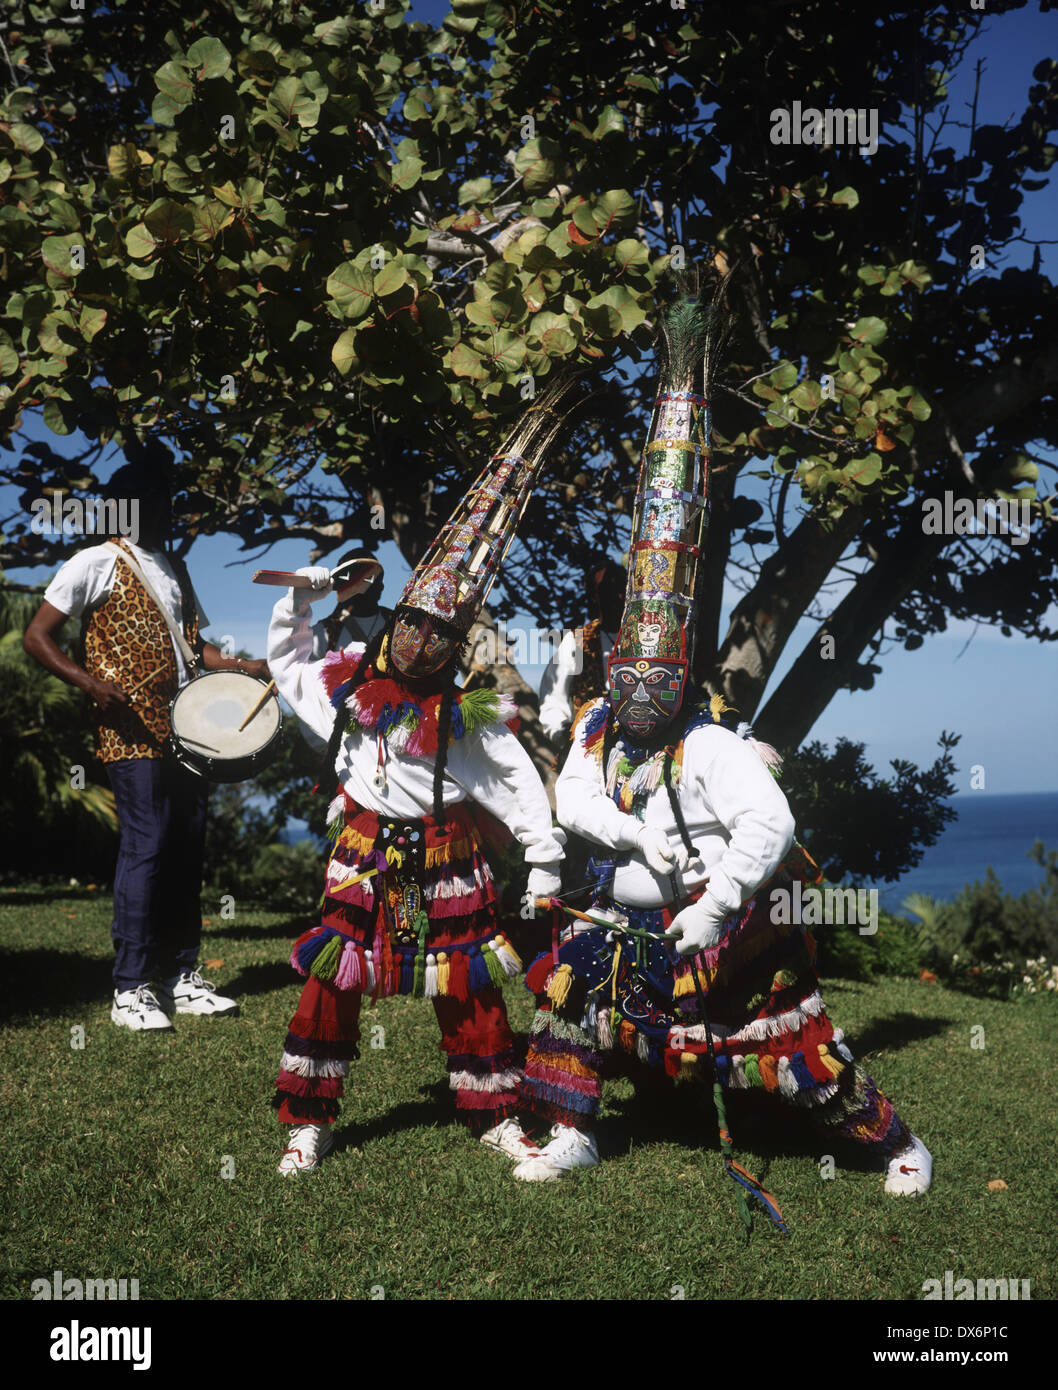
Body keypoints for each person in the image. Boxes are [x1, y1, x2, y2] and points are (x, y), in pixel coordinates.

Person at [509, 295, 932, 1203]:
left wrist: (715, 905)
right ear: (612, 669)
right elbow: (572, 802)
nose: (635, 692)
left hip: (723, 924)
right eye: (625, 674)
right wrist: (631, 841)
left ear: (683, 680)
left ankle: (892, 1142)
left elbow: (770, 824)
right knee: (574, 998)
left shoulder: (714, 747)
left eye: (654, 679)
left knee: (786, 1043)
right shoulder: (596, 728)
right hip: (625, 915)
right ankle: (573, 1128)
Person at [267, 386, 585, 1174]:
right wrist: (303, 599)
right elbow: (286, 664)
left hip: (448, 859)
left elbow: (516, 785)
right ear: (395, 618)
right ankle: (309, 1121)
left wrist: (544, 865)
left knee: (468, 986)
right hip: (365, 855)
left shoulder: (469, 721)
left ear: (454, 648)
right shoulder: (344, 691)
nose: (419, 641)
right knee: (331, 980)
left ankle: (496, 1113)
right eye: (411, 622)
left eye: (439, 633)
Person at [23, 460, 269, 1031]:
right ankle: (131, 987)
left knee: (186, 849)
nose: (167, 508)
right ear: (129, 506)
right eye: (155, 498)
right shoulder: (94, 562)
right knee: (149, 843)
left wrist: (241, 665)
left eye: (167, 498)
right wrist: (88, 683)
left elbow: (194, 648)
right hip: (129, 728)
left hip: (189, 732)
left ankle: (181, 978)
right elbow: (39, 636)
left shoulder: (175, 566)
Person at [537, 559, 625, 743]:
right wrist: (561, 735)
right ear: (594, 595)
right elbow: (553, 697)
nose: (617, 595)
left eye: (621, 587)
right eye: (607, 588)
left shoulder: (644, 637)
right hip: (588, 747)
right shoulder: (576, 641)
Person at [310, 549, 390, 659]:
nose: (381, 586)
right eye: (370, 579)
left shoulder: (395, 623)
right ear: (350, 587)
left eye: (379, 579)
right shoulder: (323, 633)